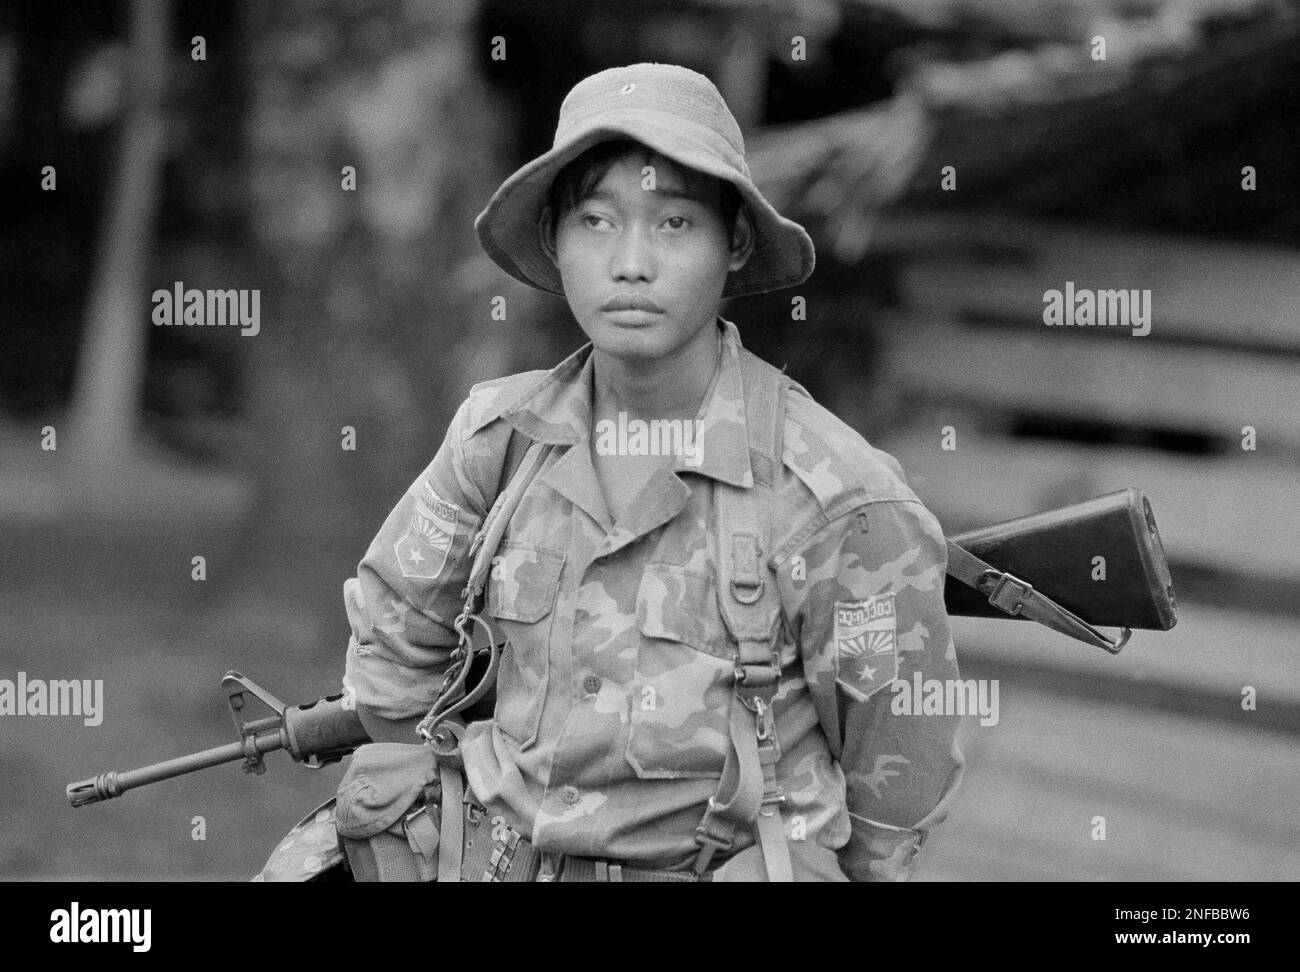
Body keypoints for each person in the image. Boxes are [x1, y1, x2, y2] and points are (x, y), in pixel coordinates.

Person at [340, 62, 963, 882]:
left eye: (673, 224)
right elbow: (392, 663)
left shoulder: (833, 494)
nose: (631, 263)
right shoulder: (500, 444)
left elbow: (900, 779)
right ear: (555, 240)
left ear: (733, 242)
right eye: (597, 221)